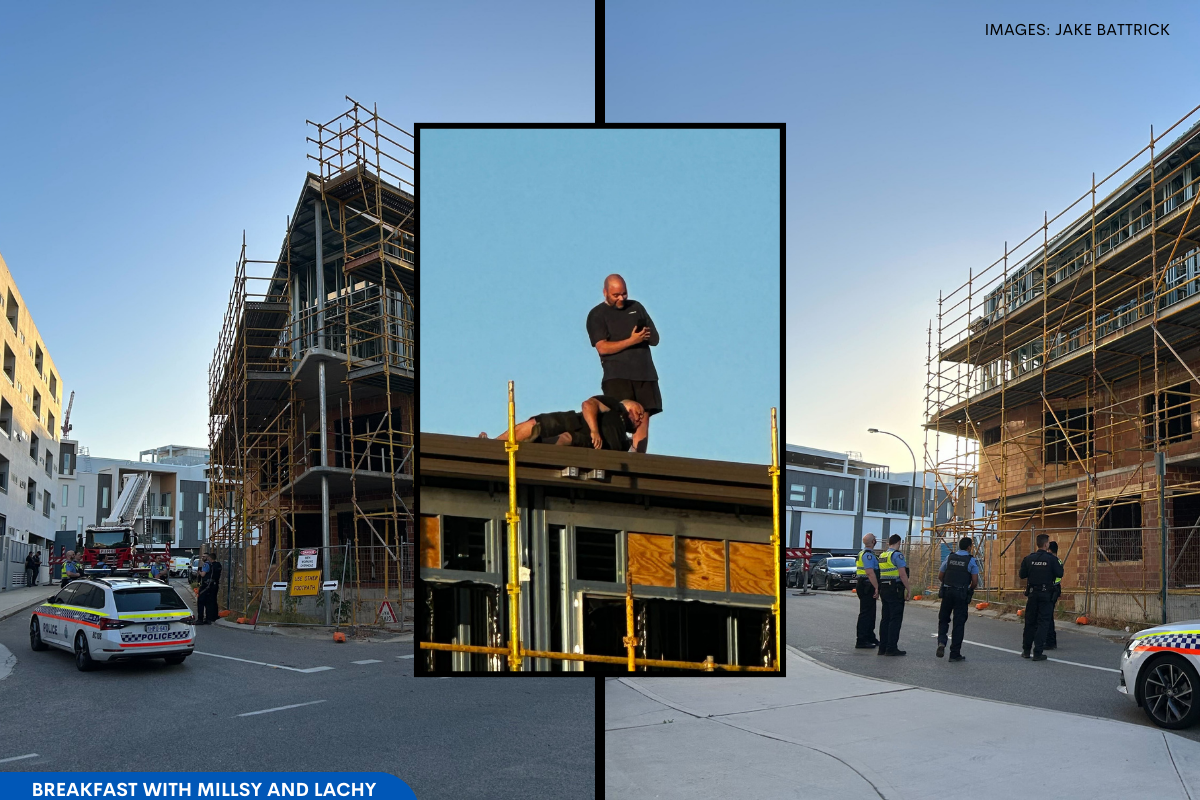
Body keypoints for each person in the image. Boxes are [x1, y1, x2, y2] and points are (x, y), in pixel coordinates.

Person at [586, 274, 661, 453]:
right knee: (619, 417)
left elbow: (655, 339)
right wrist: (632, 340)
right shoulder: (597, 314)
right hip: (617, 375)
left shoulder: (637, 307)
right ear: (605, 292)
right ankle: (617, 454)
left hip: (645, 374)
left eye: (624, 294)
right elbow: (602, 347)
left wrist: (644, 334)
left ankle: (637, 459)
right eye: (616, 295)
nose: (621, 298)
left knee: (642, 418)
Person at [480, 395, 646, 451]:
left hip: (587, 442)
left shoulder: (623, 441)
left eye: (641, 418)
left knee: (566, 439)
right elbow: (588, 405)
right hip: (576, 422)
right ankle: (494, 445)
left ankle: (533, 446)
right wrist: (595, 431)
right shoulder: (615, 407)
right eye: (639, 412)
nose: (640, 418)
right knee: (536, 425)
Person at [1019, 533, 1064, 661]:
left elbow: (1022, 574)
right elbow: (1060, 573)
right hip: (1046, 595)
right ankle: (1038, 652)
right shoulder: (1052, 559)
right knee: (1043, 622)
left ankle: (1026, 650)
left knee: (1030, 622)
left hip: (1032, 594)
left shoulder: (1029, 558)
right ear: (1046, 544)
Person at [936, 537, 980, 662]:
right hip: (961, 594)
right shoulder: (971, 560)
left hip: (947, 592)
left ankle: (942, 642)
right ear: (969, 547)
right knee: (959, 623)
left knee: (943, 619)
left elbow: (940, 575)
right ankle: (954, 653)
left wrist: (947, 583)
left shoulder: (949, 557)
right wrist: (969, 589)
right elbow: (975, 581)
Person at [877, 534, 909, 656]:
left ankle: (882, 647)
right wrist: (908, 589)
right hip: (894, 588)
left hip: (884, 587)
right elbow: (903, 574)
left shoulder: (882, 555)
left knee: (885, 618)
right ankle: (891, 648)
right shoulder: (897, 555)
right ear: (898, 543)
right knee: (895, 618)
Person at [854, 534, 881, 649]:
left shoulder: (862, 553)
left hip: (864, 583)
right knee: (866, 613)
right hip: (867, 584)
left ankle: (870, 636)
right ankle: (862, 639)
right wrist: (876, 587)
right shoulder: (868, 555)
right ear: (873, 541)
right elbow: (870, 573)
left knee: (871, 613)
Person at [1046, 541, 1064, 650]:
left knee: (1048, 616)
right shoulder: (1058, 560)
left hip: (1052, 589)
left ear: (1049, 550)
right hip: (1055, 589)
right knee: (1048, 615)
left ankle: (1050, 641)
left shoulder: (1052, 561)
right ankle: (1049, 639)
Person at [195, 554, 212, 624]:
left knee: (200, 602)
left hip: (205, 586)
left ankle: (200, 619)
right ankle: (208, 618)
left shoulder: (206, 564)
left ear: (207, 557)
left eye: (204, 556)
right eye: (202, 556)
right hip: (209, 586)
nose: (202, 558)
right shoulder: (211, 564)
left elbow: (203, 574)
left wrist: (199, 572)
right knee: (207, 603)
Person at [205, 553, 222, 622]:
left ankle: (209, 617)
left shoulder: (211, 566)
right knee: (214, 600)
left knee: (209, 601)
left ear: (210, 558)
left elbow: (210, 575)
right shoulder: (218, 565)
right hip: (216, 584)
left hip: (211, 584)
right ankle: (215, 615)